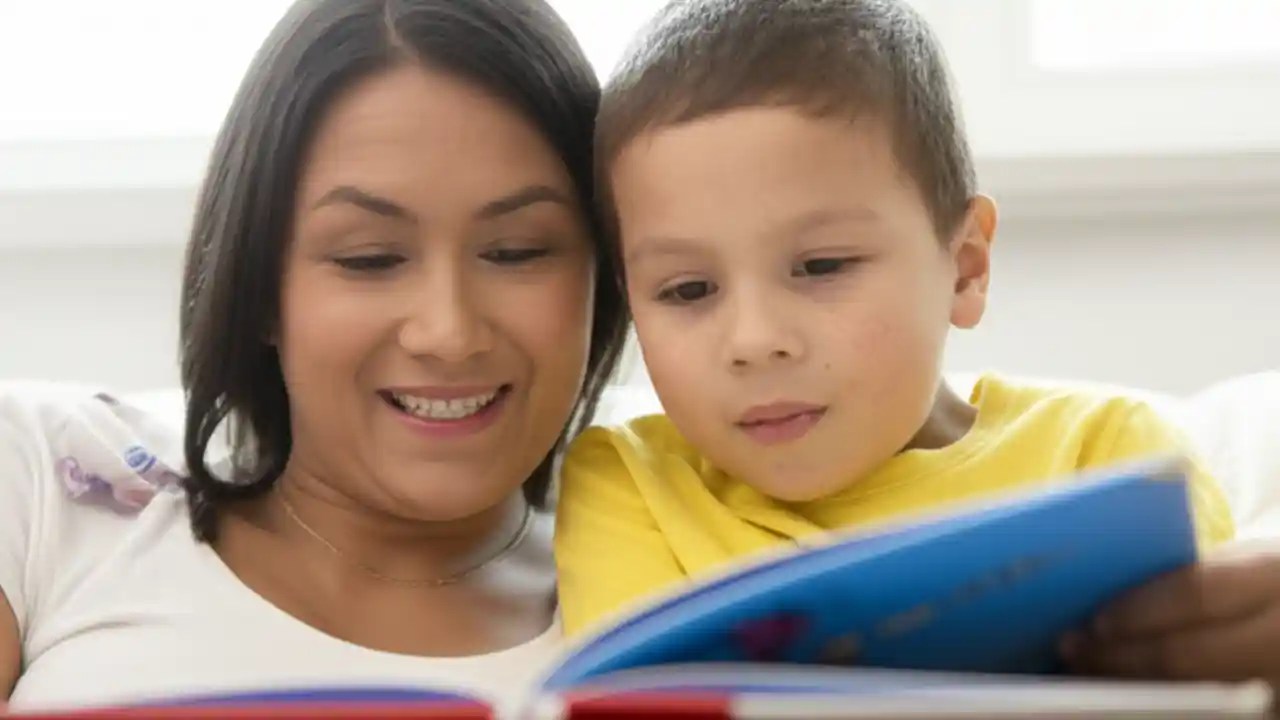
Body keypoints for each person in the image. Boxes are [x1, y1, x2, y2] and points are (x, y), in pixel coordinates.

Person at [554, 0, 1279, 687]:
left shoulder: (1111, 460)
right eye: (687, 290)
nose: (754, 341)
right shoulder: (631, 482)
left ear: (964, 268)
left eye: (821, 267)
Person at [0, 0, 627, 710]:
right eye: (370, 258)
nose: (449, 333)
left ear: (603, 272)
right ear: (261, 283)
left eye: (516, 252)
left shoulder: (682, 590)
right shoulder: (46, 481)